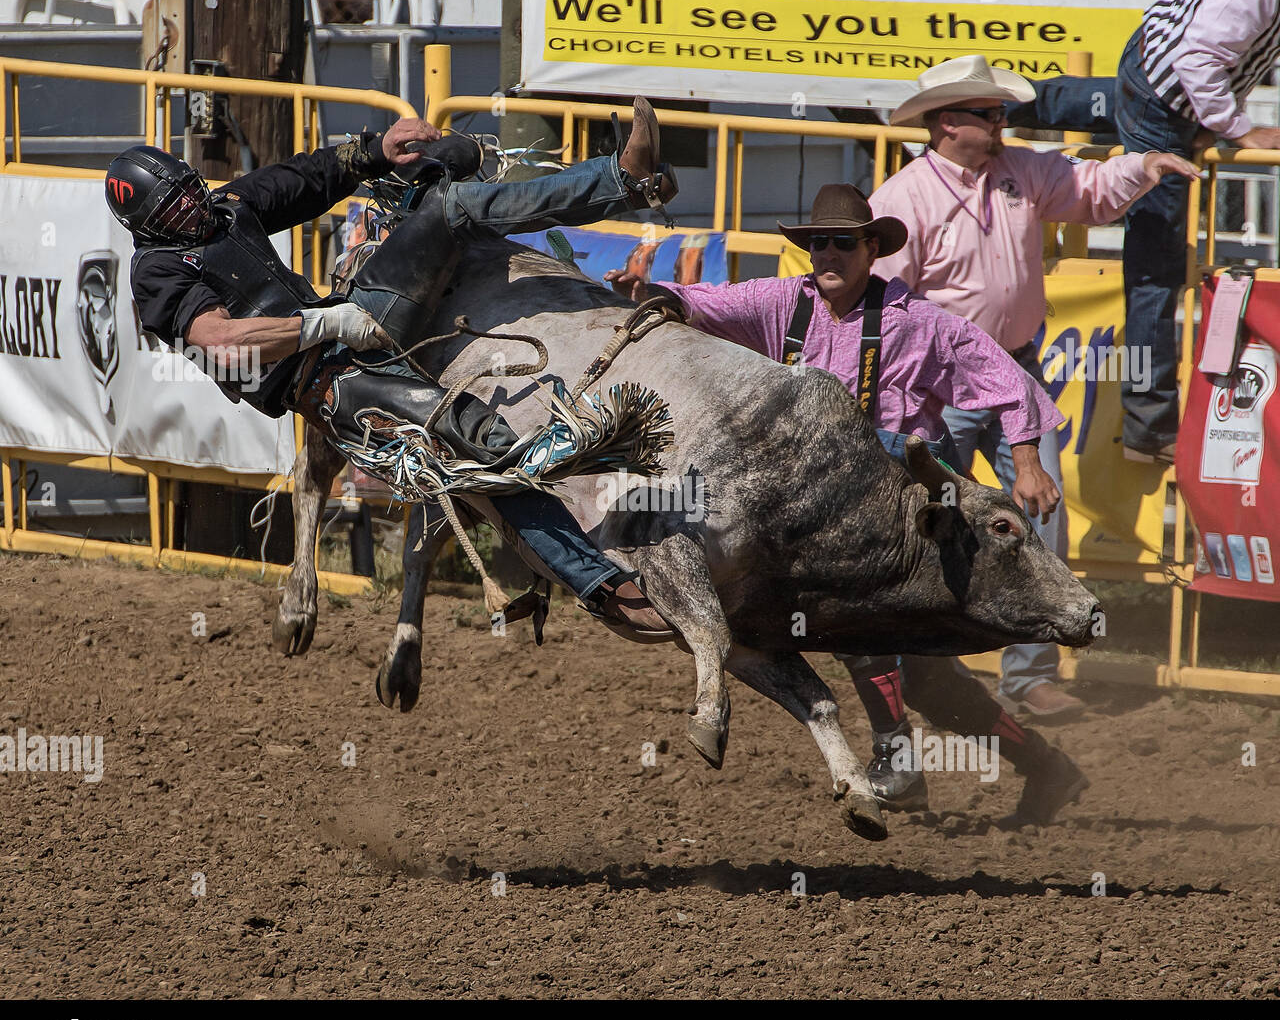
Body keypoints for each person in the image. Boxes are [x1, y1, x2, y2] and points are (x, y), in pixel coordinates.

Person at [605, 184, 1086, 825]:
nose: (826, 252)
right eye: (817, 242)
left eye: (842, 241)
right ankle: (1044, 767)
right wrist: (652, 296)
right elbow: (703, 302)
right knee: (928, 680)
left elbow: (998, 370)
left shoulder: (913, 320)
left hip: (908, 504)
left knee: (856, 613)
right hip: (816, 501)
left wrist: (1025, 459)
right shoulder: (785, 304)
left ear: (870, 250)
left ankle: (899, 757)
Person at [105, 101, 680, 632]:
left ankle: (624, 179)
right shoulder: (157, 274)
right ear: (148, 227)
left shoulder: (228, 208)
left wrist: (378, 148)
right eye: (172, 206)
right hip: (326, 385)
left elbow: (307, 177)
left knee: (449, 205)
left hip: (358, 319)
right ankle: (600, 585)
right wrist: (327, 325)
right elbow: (224, 342)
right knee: (473, 439)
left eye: (188, 189)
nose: (190, 205)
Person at [870, 55, 1198, 717]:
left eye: (1000, 113)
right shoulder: (904, 198)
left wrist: (1145, 165)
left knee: (1037, 515)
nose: (1002, 122)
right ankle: (932, 668)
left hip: (1016, 371)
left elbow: (1090, 188)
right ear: (951, 122)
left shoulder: (1018, 170)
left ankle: (1025, 673)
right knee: (932, 529)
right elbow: (885, 305)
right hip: (942, 386)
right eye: (991, 114)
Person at [1115, 0, 1280, 462]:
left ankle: (990, 107)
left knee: (1084, 102)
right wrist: (1236, 128)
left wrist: (1211, 119)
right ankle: (1147, 427)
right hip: (1161, 97)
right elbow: (1197, 56)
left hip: (1164, 86)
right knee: (1155, 272)